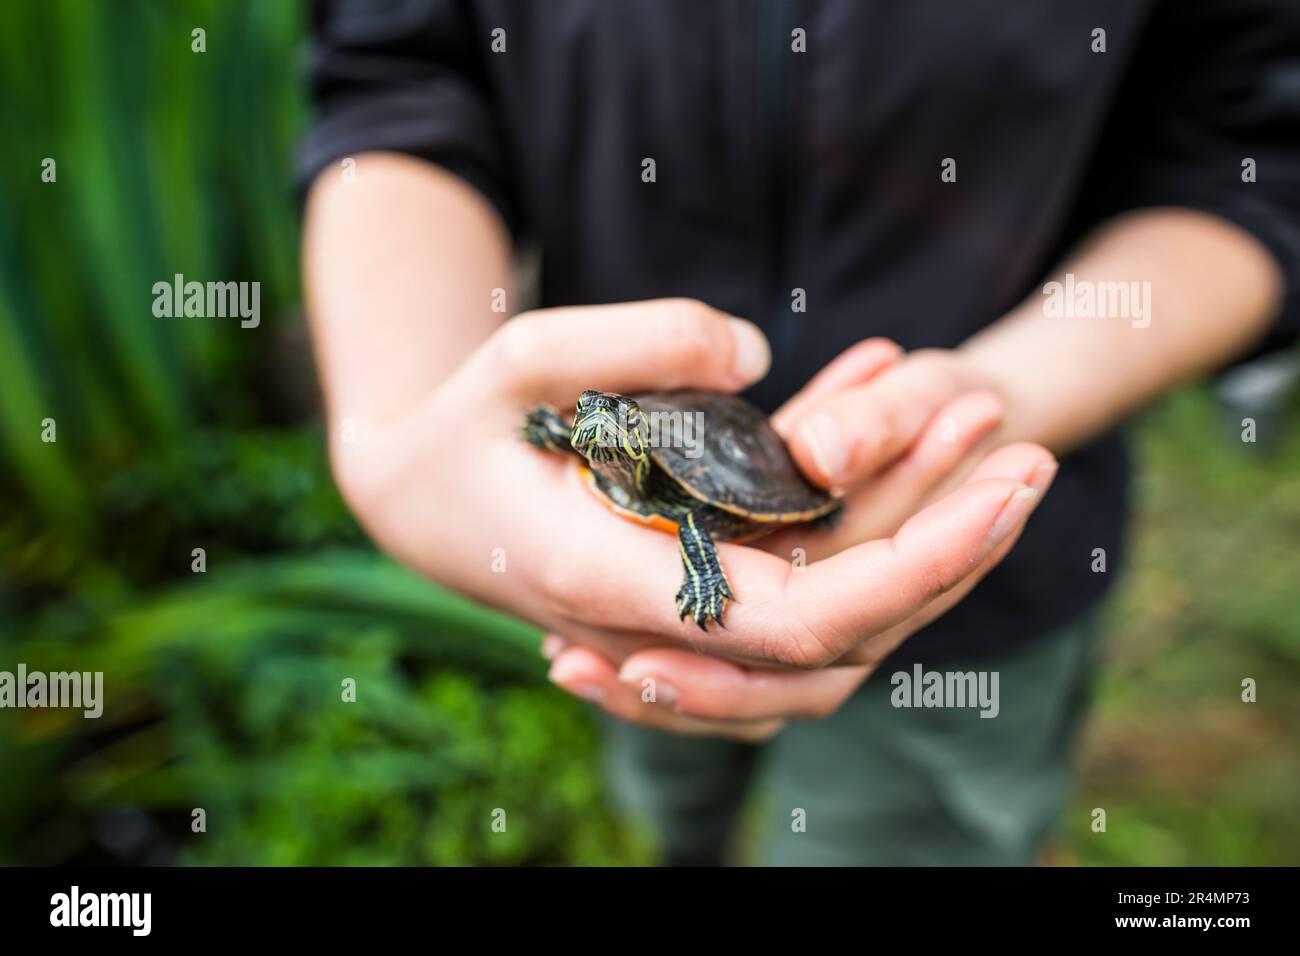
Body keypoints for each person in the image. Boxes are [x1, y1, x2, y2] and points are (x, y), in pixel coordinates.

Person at [298, 0, 1299, 865]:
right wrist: (404, 416)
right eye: (588, 434)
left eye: (588, 433)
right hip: (601, 584)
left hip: (977, 567)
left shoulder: (671, 485)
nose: (586, 436)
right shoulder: (609, 454)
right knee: (664, 769)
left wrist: (998, 393)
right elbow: (396, 72)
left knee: (905, 828)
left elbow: (1251, 156)